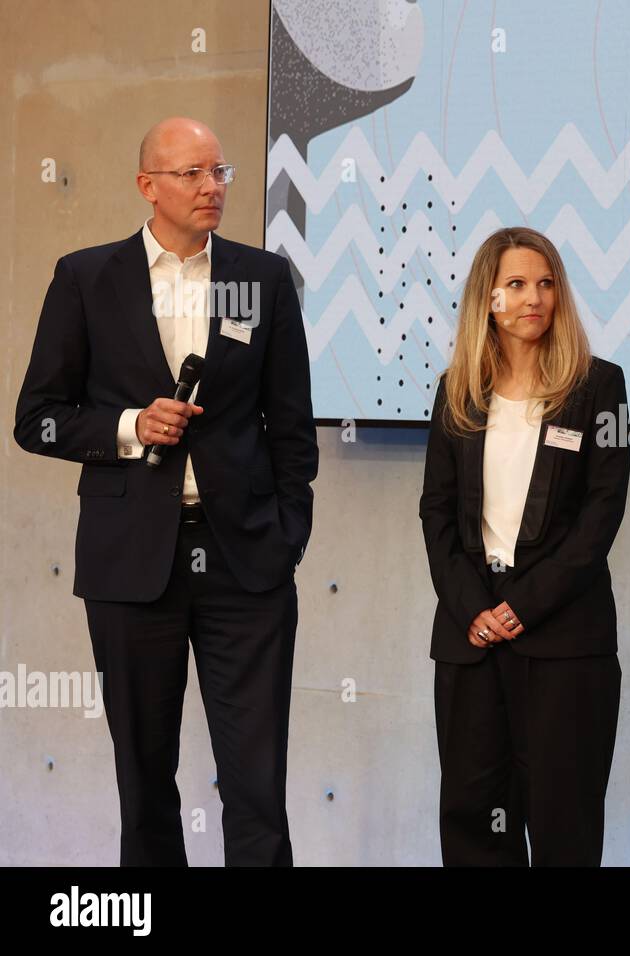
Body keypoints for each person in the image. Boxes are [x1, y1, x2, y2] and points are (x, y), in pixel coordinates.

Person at [13, 117, 318, 866]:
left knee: (257, 787)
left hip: (246, 563)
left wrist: (285, 539)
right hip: (130, 564)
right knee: (144, 784)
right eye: (193, 174)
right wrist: (127, 427)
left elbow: (293, 429)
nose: (212, 187)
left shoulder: (261, 279)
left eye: (221, 172)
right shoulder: (87, 277)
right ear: (148, 185)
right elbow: (37, 420)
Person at [420, 227, 630, 866]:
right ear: (488, 298)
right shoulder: (457, 386)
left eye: (545, 283)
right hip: (471, 636)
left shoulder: (601, 386)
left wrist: (524, 607)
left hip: (565, 639)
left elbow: (602, 513)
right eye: (515, 284)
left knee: (564, 821)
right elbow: (436, 511)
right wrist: (472, 609)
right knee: (474, 821)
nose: (533, 297)